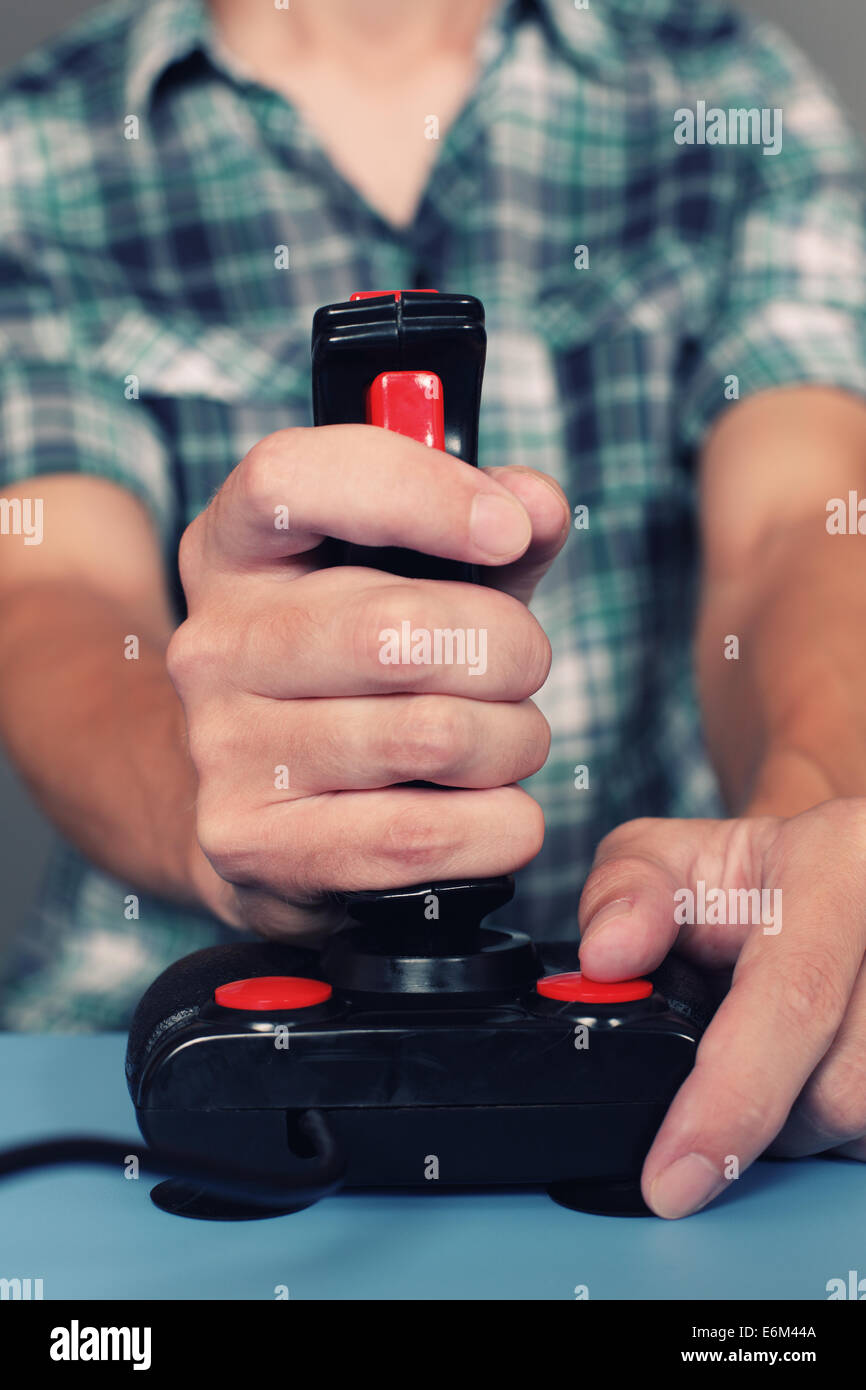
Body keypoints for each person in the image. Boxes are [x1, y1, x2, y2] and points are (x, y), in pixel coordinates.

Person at [1, 0, 866, 1220]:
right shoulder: (41, 151)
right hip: (144, 1064)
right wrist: (224, 816)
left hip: (635, 1035)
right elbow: (55, 603)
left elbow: (800, 529)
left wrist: (798, 862)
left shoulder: (725, 94)